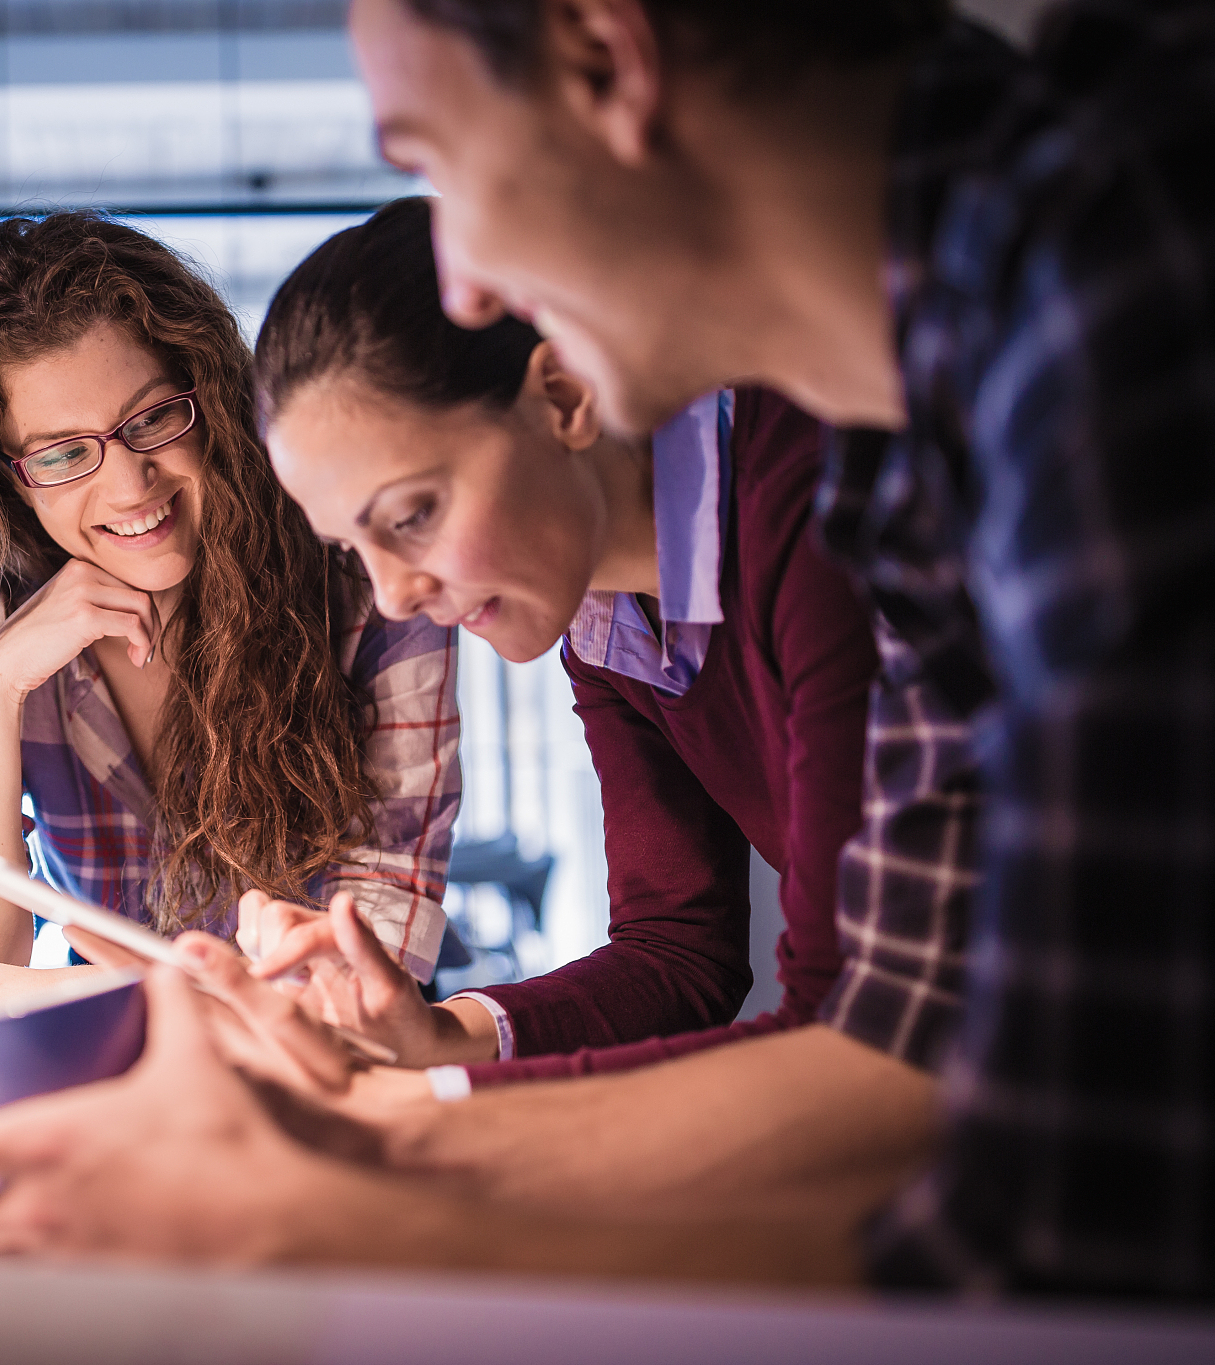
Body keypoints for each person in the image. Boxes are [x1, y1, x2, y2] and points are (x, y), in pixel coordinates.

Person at [0, 0, 1215, 1301]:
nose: (464, 283)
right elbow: (910, 1047)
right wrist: (375, 1136)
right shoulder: (907, 426)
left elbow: (1037, 1175)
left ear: (602, 54)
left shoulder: (1103, 279)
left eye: (433, 164)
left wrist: (357, 1190)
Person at [237, 195, 885, 1089]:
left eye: (413, 515)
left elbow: (844, 1021)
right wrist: (432, 1037)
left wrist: (435, 1120)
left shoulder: (807, 506)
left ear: (563, 395)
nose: (395, 597)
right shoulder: (606, 623)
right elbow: (679, 950)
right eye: (355, 548)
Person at [0, 212, 460, 1071]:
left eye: (153, 419)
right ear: (8, 478)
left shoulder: (369, 580)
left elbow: (364, 990)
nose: (131, 481)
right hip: (103, 1077)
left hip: (332, 1093)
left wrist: (80, 996)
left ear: (208, 398)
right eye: (65, 454)